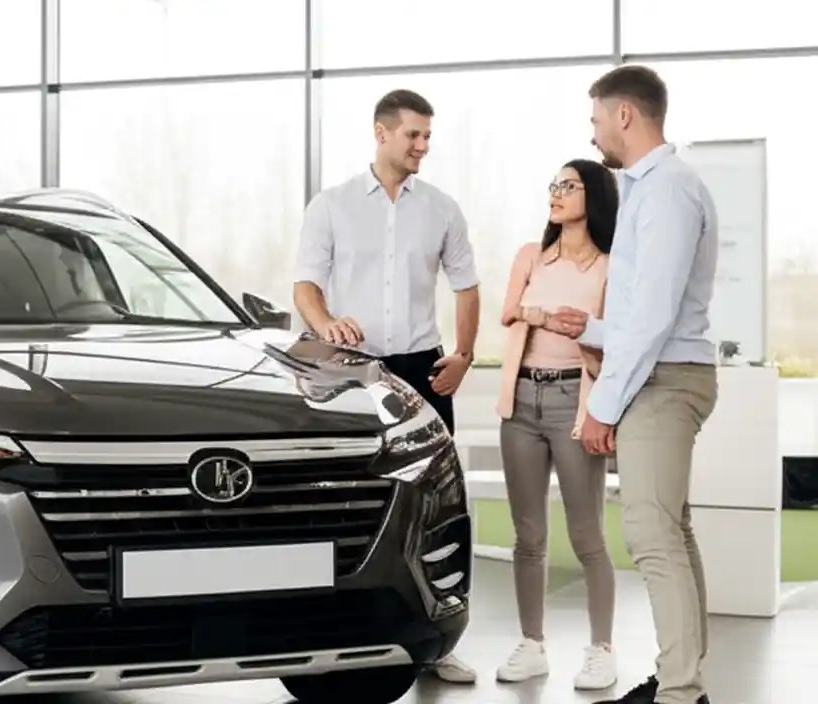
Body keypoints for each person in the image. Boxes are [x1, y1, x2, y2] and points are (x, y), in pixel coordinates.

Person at [293, 88, 481, 685]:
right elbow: (305, 286)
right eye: (413, 135)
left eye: (427, 136)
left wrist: (464, 356)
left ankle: (438, 641)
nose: (423, 146)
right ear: (381, 133)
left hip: (425, 369)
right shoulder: (331, 205)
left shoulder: (442, 209)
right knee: (342, 501)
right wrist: (326, 324)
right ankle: (331, 631)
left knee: (435, 506)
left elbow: (467, 286)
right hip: (349, 370)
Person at [548, 65, 719, 704]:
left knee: (651, 537)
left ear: (624, 114)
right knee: (673, 530)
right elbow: (644, 308)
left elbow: (653, 315)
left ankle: (681, 693)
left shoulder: (668, 188)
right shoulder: (650, 187)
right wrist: (594, 327)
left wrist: (602, 404)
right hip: (662, 369)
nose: (593, 134)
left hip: (665, 379)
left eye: (596, 119)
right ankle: (681, 677)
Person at [494, 159, 619, 691]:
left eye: (570, 185)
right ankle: (532, 644)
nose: (558, 193)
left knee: (587, 534)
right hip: (521, 400)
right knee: (528, 535)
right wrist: (548, 318)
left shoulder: (610, 266)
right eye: (555, 185)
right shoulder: (531, 256)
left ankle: (601, 650)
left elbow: (614, 338)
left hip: (576, 399)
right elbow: (508, 312)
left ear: (595, 196)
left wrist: (578, 329)